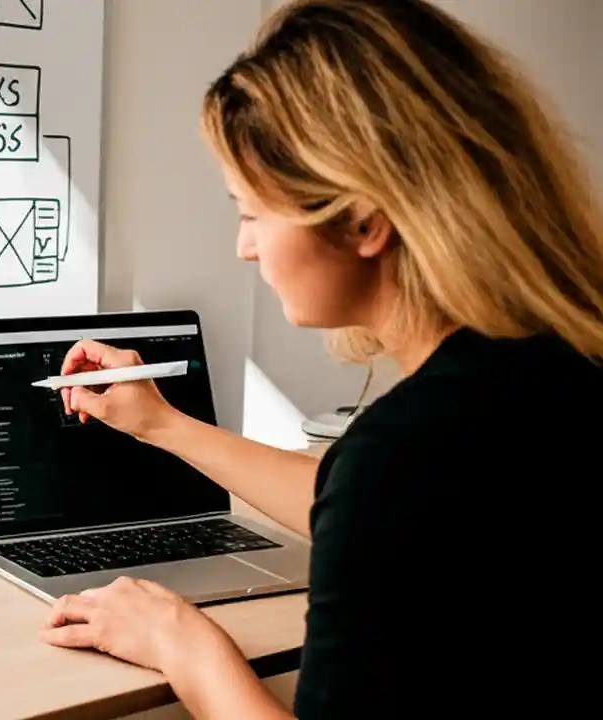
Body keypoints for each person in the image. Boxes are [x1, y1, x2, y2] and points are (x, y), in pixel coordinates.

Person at [38, 0, 603, 717]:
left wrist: (180, 639)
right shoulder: (557, 368)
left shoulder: (403, 458)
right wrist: (160, 424)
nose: (245, 248)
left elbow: (384, 498)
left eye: (251, 214)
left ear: (365, 218)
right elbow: (388, 509)